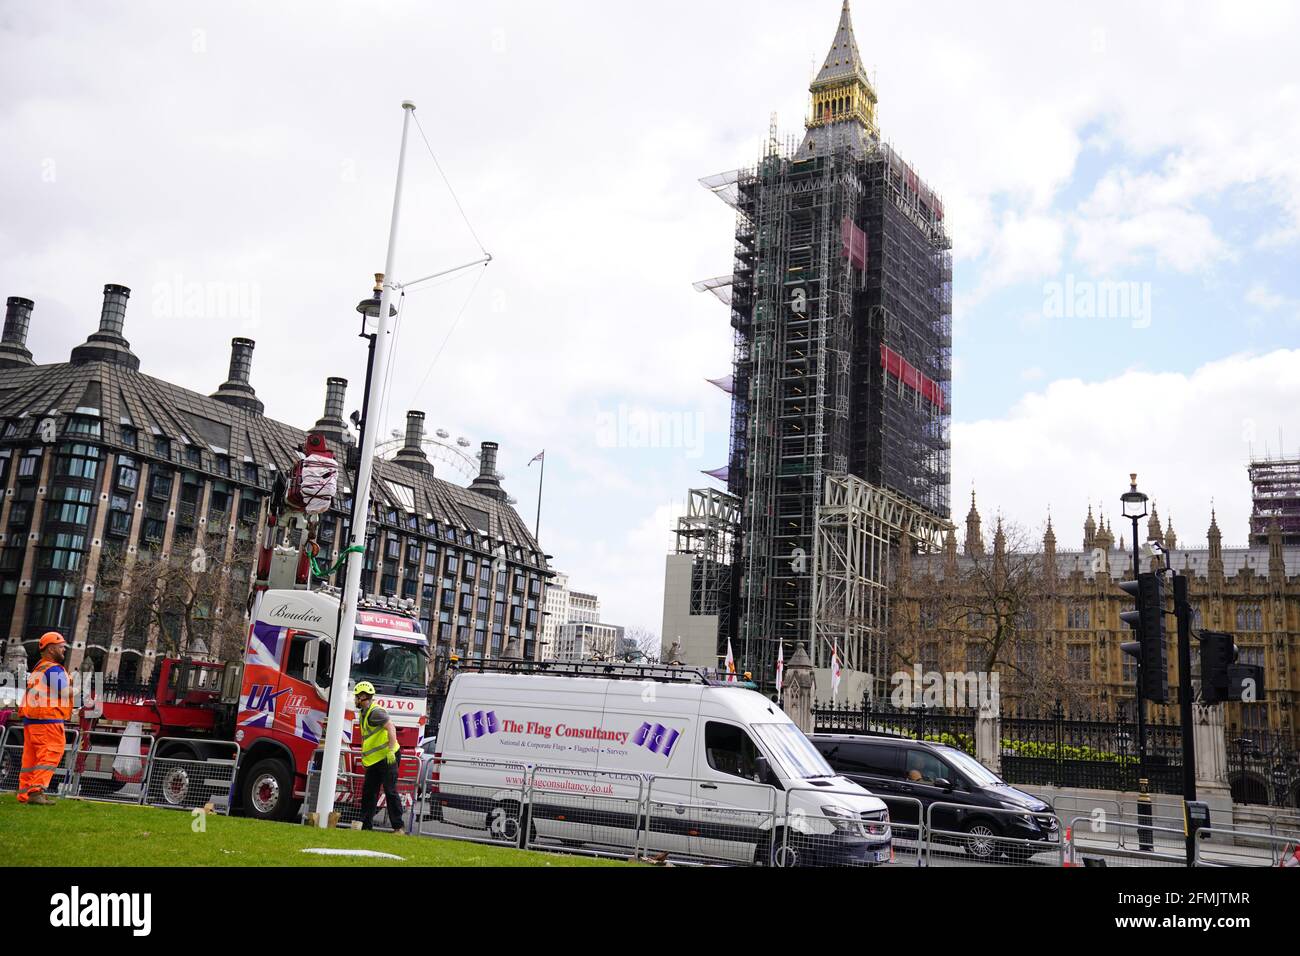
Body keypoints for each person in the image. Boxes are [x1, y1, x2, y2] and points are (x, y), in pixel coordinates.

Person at [17, 632, 74, 805]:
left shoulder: (39, 668)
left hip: (33, 721)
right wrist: (78, 692)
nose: (64, 649)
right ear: (51, 649)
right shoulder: (53, 668)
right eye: (61, 646)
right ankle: (36, 792)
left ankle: (25, 793)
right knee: (50, 755)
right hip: (48, 721)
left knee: (31, 759)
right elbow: (64, 692)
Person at [353, 681, 405, 834]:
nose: (355, 699)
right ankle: (366, 824)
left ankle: (398, 827)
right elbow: (368, 739)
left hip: (388, 757)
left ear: (363, 697)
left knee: (390, 790)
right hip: (375, 760)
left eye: (356, 697)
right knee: (369, 791)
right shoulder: (364, 712)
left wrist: (390, 751)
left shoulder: (375, 712)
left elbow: (391, 727)